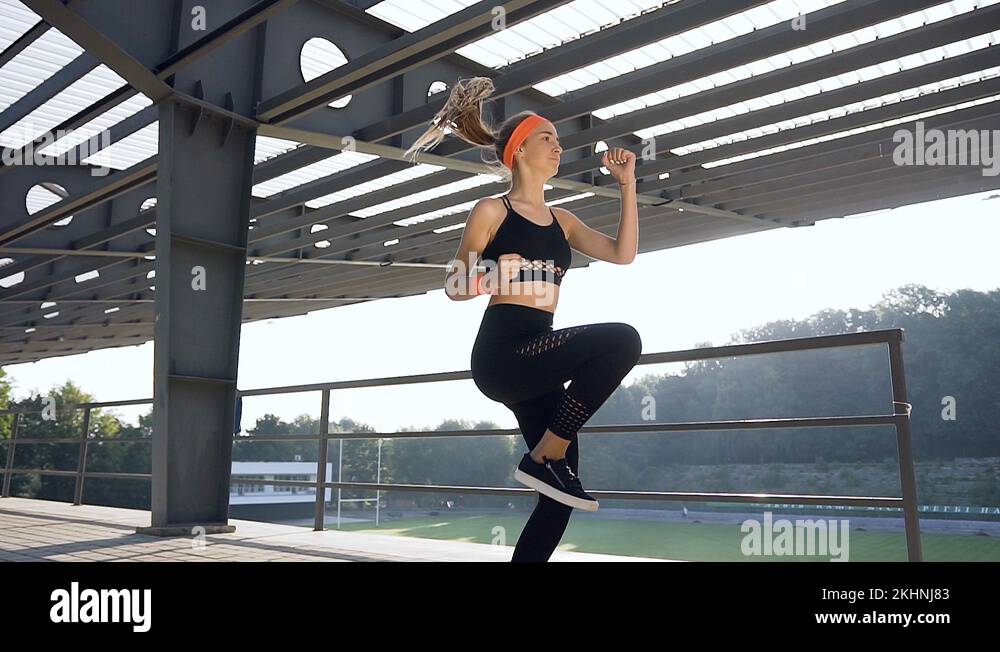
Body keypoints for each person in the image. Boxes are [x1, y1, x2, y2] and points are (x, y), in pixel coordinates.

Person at [405, 77, 642, 562]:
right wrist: (492, 274)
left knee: (560, 497)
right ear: (518, 150)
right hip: (503, 354)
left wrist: (627, 186)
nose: (558, 146)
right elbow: (453, 286)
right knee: (622, 340)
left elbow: (623, 253)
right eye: (547, 138)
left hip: (540, 354)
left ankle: (547, 458)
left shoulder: (564, 221)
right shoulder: (492, 209)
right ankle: (546, 455)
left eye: (557, 139)